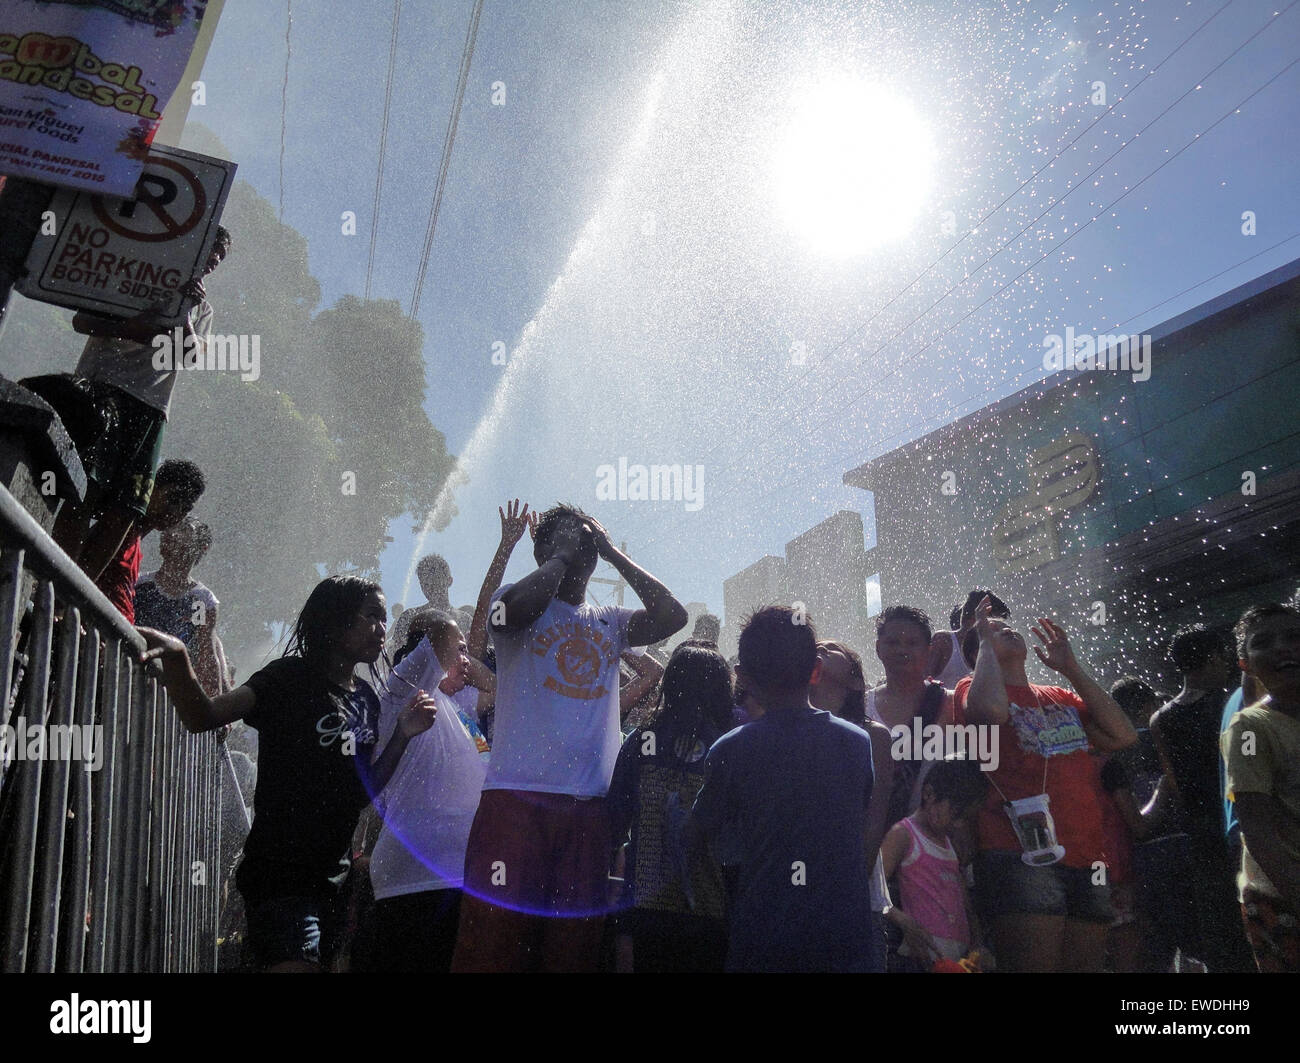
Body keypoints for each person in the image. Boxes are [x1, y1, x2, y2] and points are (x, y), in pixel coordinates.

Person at [138, 575, 437, 971]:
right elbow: (203, 715)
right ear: (335, 620)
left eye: (383, 618)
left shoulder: (366, 700)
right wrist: (178, 657)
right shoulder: (286, 679)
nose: (382, 629)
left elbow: (359, 795)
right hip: (280, 878)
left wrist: (402, 734)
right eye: (371, 616)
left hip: (334, 882)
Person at [451, 504, 687, 972]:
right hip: (514, 800)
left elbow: (671, 616)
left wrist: (613, 553)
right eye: (565, 539)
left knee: (571, 948)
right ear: (542, 549)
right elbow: (510, 613)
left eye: (585, 542)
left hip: (589, 806)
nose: (579, 548)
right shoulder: (513, 599)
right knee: (494, 943)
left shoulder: (613, 620)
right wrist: (558, 558)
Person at [23, 228, 231, 583]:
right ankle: (51, 587)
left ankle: (76, 594)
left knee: (128, 508)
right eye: (211, 249)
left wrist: (184, 314)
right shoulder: (134, 274)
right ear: (192, 242)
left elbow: (191, 354)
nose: (213, 260)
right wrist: (134, 328)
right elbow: (82, 321)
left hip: (151, 409)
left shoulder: (202, 308)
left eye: (220, 257)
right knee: (82, 491)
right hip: (102, 392)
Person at [690, 605, 876, 972]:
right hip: (845, 942)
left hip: (764, 941)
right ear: (816, 671)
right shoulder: (857, 743)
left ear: (741, 677)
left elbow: (698, 834)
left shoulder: (729, 750)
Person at [958, 596, 1137, 972]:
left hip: (1087, 853)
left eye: (1008, 627)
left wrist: (1071, 667)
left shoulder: (1059, 697)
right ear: (976, 650)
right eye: (992, 631)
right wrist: (984, 644)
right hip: (1019, 854)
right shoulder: (970, 689)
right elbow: (991, 712)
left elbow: (1122, 736)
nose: (1006, 630)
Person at [368, 615, 487, 973]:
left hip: (462, 879)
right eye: (462, 652)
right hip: (416, 880)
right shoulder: (405, 688)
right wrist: (431, 625)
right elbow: (442, 629)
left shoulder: (459, 712)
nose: (467, 660)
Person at [606, 642, 733, 972]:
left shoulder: (642, 739)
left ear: (671, 684)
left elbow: (614, 821)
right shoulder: (731, 744)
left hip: (649, 904)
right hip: (715, 906)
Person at [1149, 624, 1254, 972]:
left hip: (1199, 834)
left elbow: (1174, 783)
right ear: (1212, 658)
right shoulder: (1230, 702)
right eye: (1224, 657)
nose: (1227, 664)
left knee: (1222, 926)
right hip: (1240, 821)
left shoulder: (1160, 719)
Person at [1222, 602, 1300, 972]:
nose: (1282, 648)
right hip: (1281, 895)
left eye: (1294, 637)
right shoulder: (1250, 729)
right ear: (1246, 666)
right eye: (1263, 643)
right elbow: (1256, 829)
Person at [881, 756, 987, 969]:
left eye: (965, 819)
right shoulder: (904, 834)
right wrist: (903, 920)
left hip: (956, 961)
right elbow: (873, 888)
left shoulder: (951, 842)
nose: (959, 825)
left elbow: (964, 901)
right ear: (929, 794)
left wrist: (978, 944)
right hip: (917, 958)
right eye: (956, 814)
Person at [98, 458, 205, 623]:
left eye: (185, 509)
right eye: (173, 499)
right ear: (152, 487)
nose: (175, 511)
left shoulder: (201, 598)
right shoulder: (118, 532)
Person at [135, 516, 226, 696]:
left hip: (172, 694)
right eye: (172, 528)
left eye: (185, 530)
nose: (174, 534)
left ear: (201, 546)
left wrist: (214, 700)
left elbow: (205, 655)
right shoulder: (139, 585)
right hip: (133, 674)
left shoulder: (201, 600)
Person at [927, 589, 1010, 687]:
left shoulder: (994, 653)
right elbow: (921, 681)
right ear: (975, 620)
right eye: (995, 627)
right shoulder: (944, 641)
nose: (1000, 632)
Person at [389, 553, 454, 653]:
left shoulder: (465, 620)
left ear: (449, 581)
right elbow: (393, 655)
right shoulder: (409, 617)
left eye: (435, 580)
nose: (430, 588)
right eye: (425, 583)